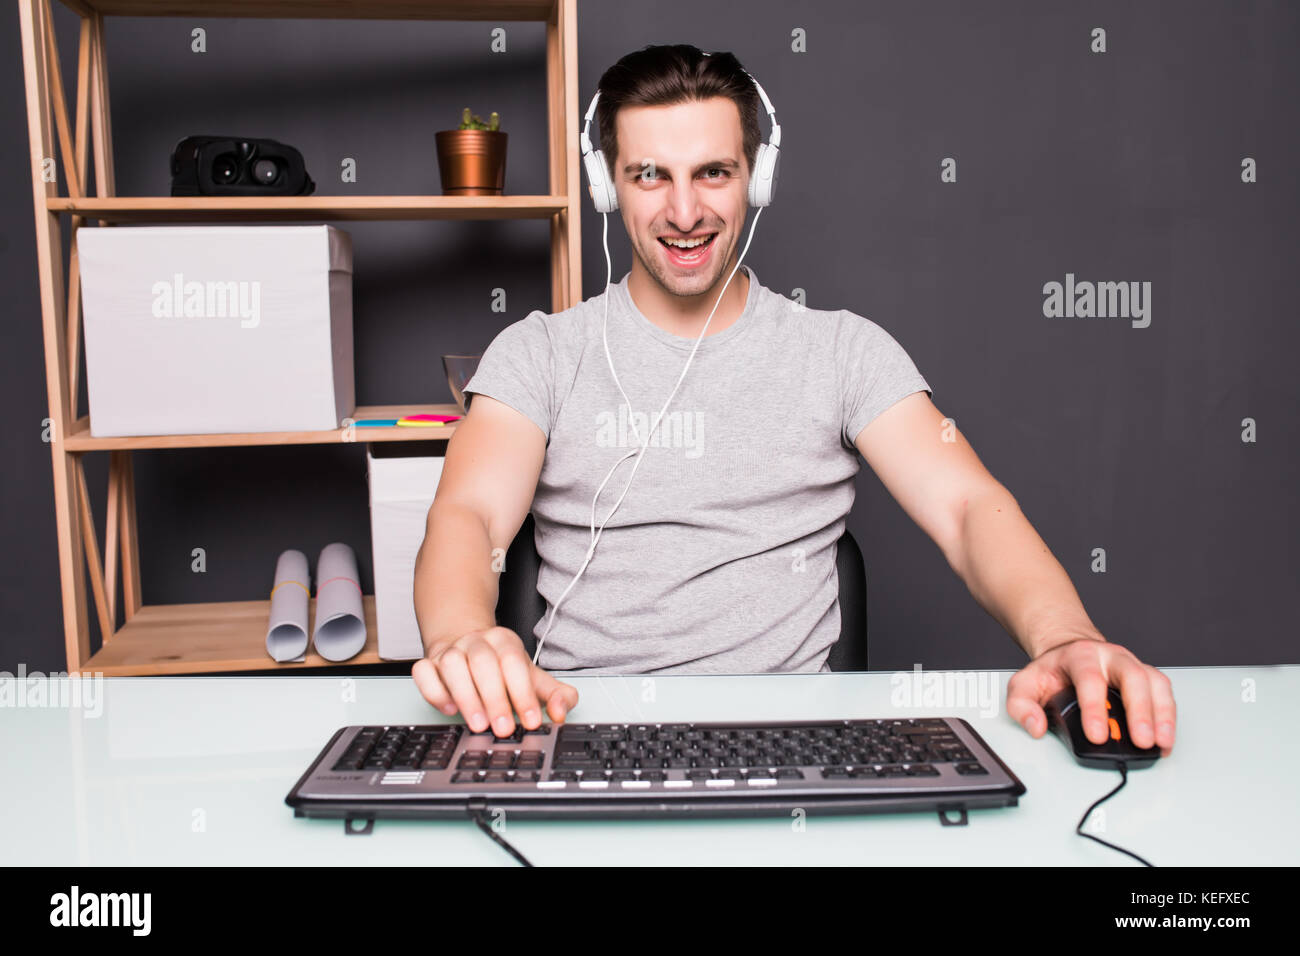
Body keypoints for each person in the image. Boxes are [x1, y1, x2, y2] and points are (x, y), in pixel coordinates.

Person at [411, 44, 1177, 758]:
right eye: (650, 176)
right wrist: (459, 636)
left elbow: (971, 509)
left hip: (793, 747)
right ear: (608, 185)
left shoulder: (843, 351)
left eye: (713, 172)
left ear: (757, 177)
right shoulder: (540, 352)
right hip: (573, 730)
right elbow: (468, 514)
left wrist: (1065, 638)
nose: (684, 213)